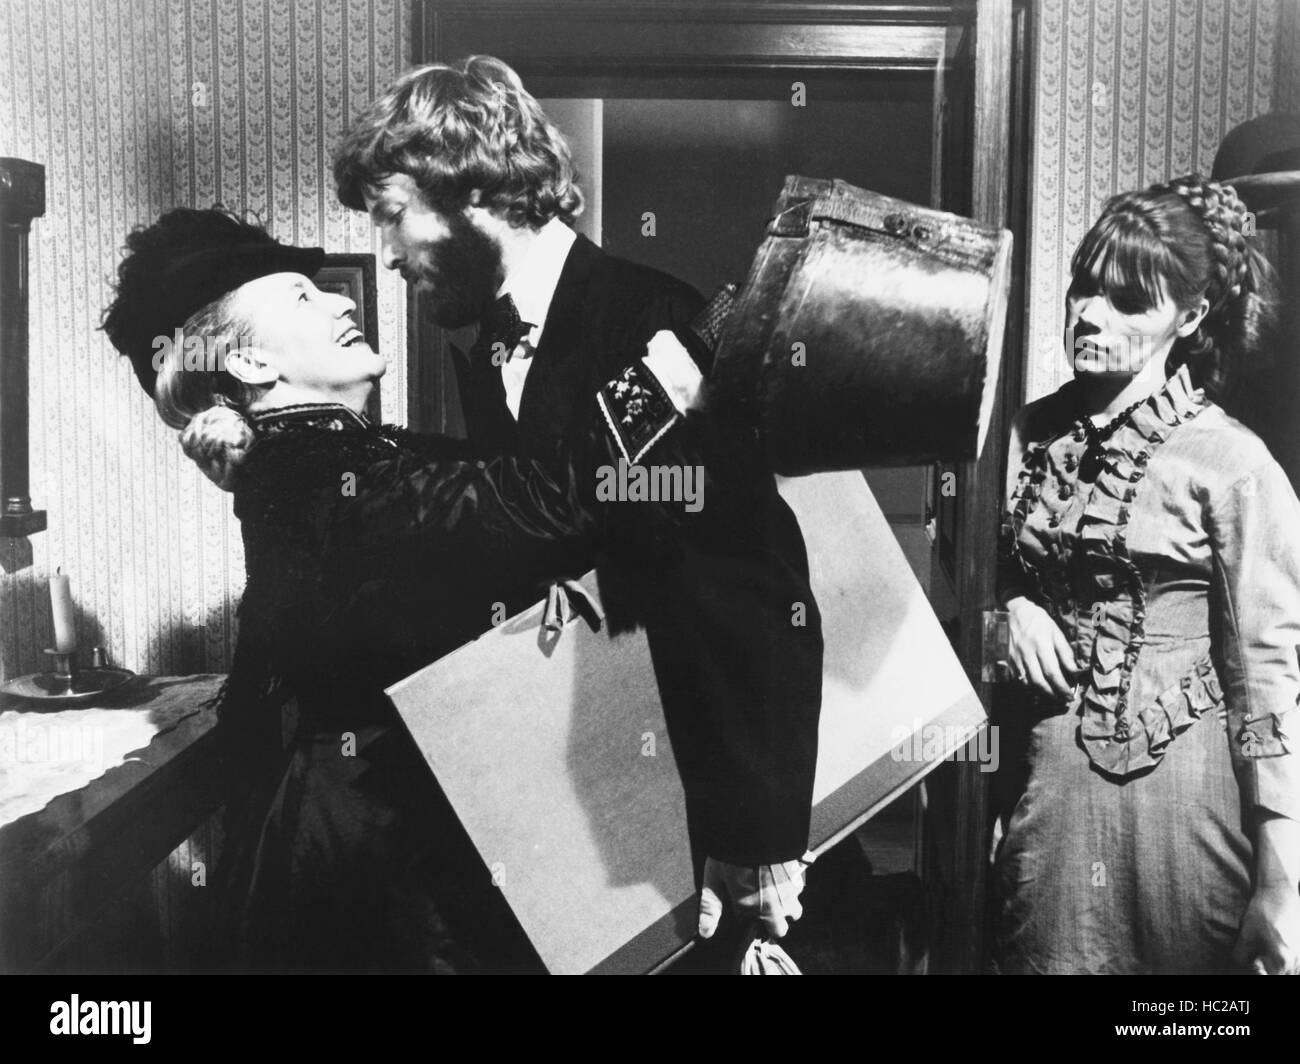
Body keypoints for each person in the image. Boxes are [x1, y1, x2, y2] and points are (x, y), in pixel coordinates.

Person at [100, 206, 701, 972]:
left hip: (371, 824)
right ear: (251, 366)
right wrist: (670, 381)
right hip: (368, 851)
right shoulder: (314, 471)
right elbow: (544, 500)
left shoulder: (319, 454)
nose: (344, 302)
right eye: (303, 298)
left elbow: (498, 487)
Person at [333, 55, 823, 946]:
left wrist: (759, 833)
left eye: (394, 217)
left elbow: (760, 581)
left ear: (470, 191)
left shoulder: (655, 323)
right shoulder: (490, 342)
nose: (391, 256)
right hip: (578, 797)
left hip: (695, 810)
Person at [995, 174, 1300, 974]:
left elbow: (1267, 678)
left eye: (1128, 301)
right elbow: (958, 588)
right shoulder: (1026, 437)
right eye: (1084, 287)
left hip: (1187, 813)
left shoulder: (1233, 462)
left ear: (1191, 317)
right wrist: (1011, 608)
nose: (1090, 315)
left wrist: (1281, 881)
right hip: (1050, 804)